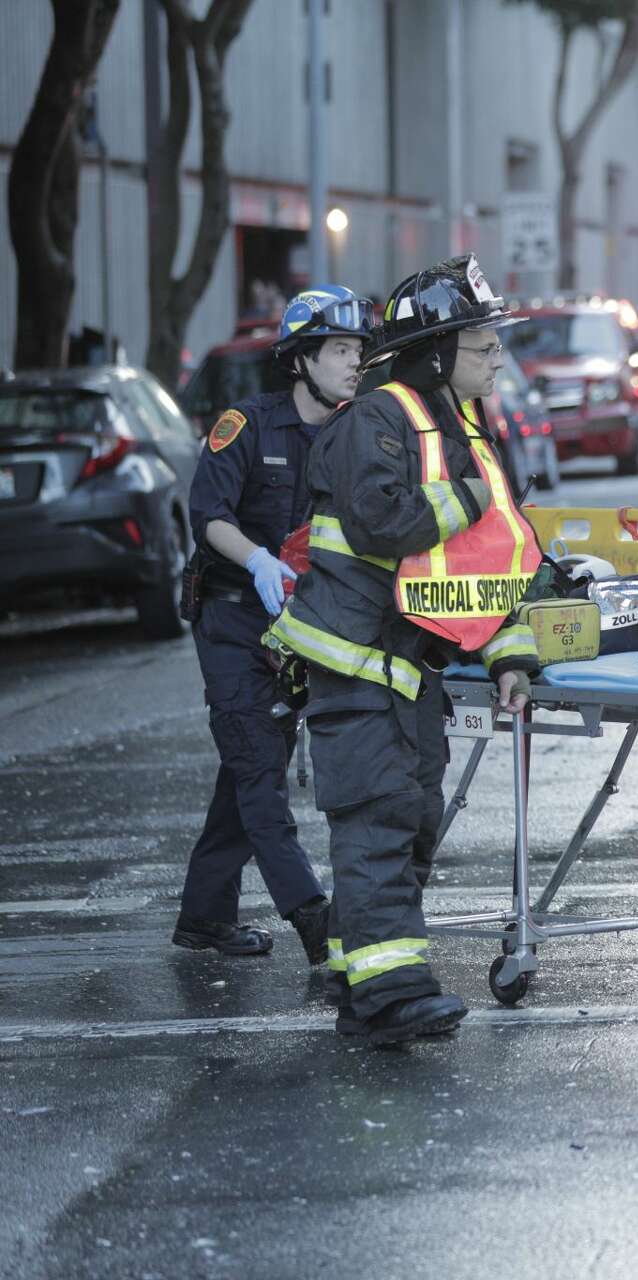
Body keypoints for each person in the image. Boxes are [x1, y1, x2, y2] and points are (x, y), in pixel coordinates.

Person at [266, 255, 542, 1047]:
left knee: (413, 820)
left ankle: (363, 982)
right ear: (434, 351)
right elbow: (385, 521)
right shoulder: (375, 421)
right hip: (354, 662)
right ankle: (397, 991)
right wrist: (467, 498)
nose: (497, 359)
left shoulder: (466, 428)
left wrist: (511, 658)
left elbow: (498, 562)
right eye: (483, 347)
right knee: (379, 820)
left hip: (408, 670)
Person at [175, 286, 372, 964]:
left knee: (248, 767)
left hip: (301, 627)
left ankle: (204, 919)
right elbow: (209, 516)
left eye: (358, 351)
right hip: (231, 618)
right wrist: (257, 559)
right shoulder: (246, 425)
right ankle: (315, 923)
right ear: (301, 359)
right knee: (260, 769)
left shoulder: (356, 435)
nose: (354, 363)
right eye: (341, 349)